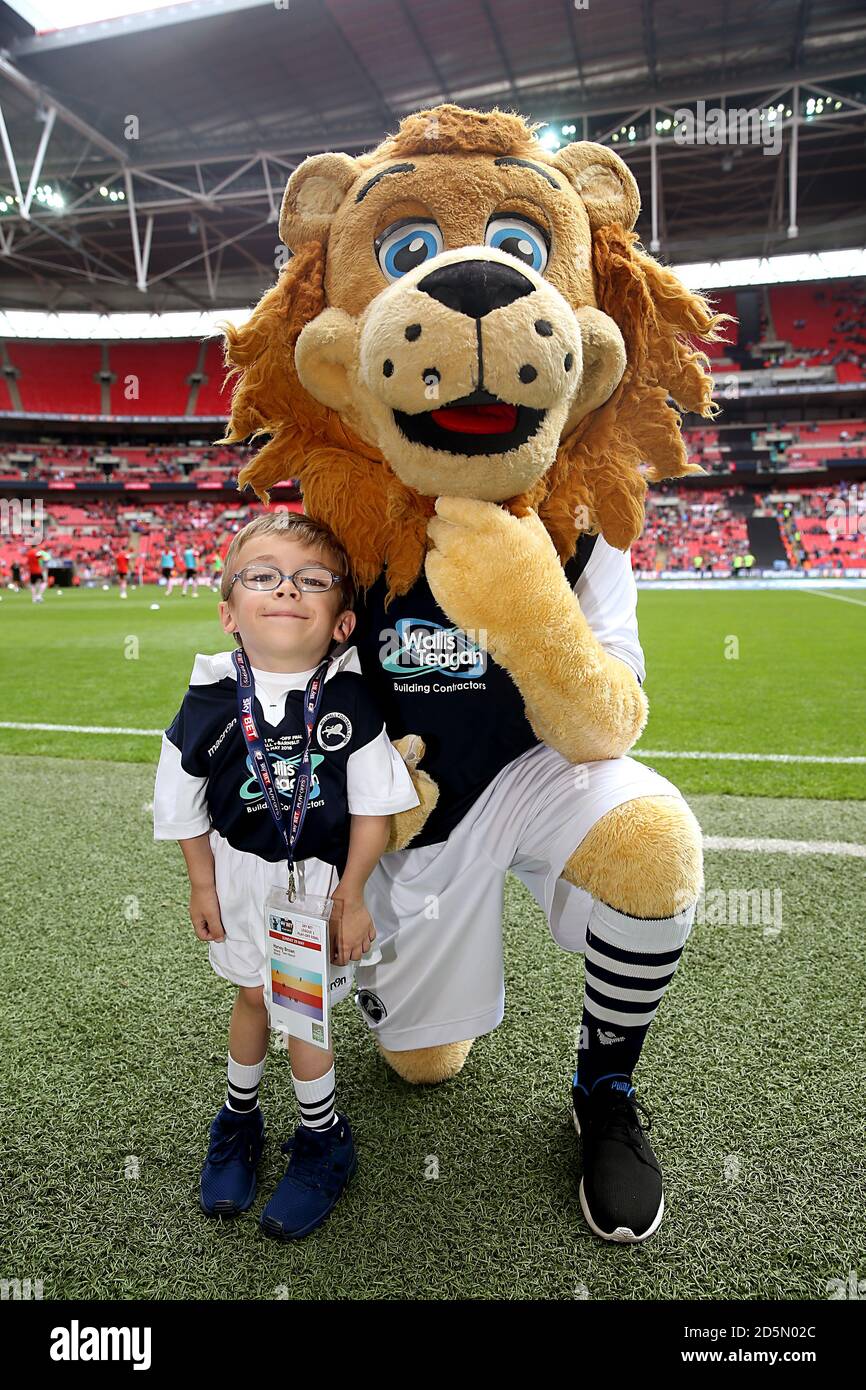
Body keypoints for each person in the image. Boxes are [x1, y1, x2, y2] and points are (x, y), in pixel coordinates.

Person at [153, 512, 419, 1239]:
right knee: (249, 996)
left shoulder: (351, 700)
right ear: (228, 611)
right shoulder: (208, 698)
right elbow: (183, 807)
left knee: (304, 1014)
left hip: (318, 892)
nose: (286, 590)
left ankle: (322, 1137)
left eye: (311, 581)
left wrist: (352, 892)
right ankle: (239, 1117)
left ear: (341, 623)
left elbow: (372, 810)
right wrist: (202, 885)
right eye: (262, 576)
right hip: (238, 879)